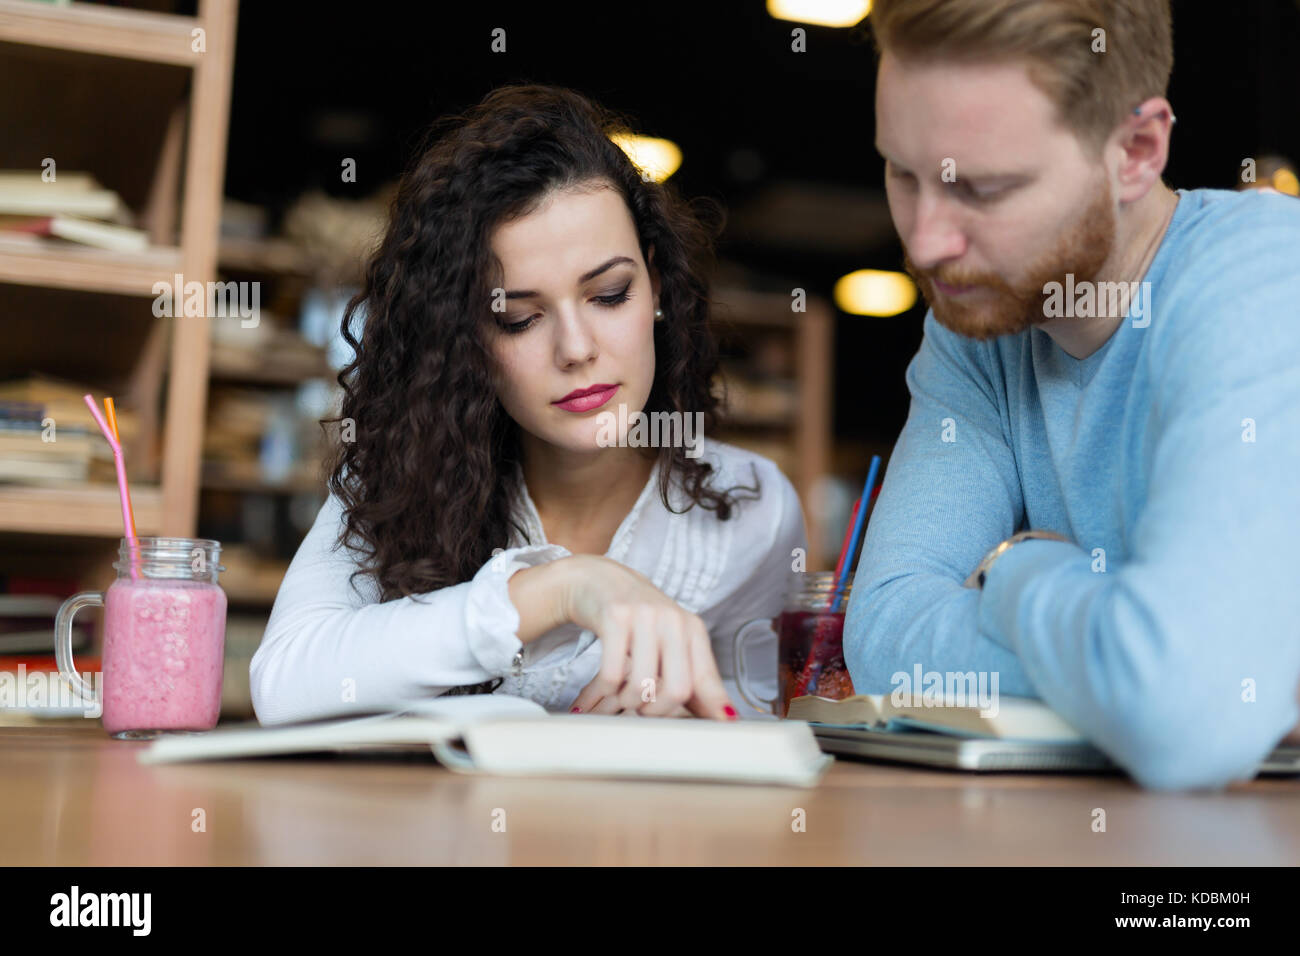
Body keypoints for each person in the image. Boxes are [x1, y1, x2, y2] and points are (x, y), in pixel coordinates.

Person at [846, 0, 1300, 789]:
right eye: (901, 173)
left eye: (982, 189)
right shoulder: (976, 326)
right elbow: (884, 633)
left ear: (1136, 149)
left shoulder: (1261, 278)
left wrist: (1015, 572)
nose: (924, 242)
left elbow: (1183, 709)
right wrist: (1129, 653)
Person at [250, 84, 806, 726]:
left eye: (610, 294)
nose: (576, 349)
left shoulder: (750, 510)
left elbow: (767, 714)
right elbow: (284, 683)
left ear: (654, 285)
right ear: (466, 339)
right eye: (518, 318)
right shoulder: (396, 481)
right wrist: (566, 589)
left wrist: (692, 718)